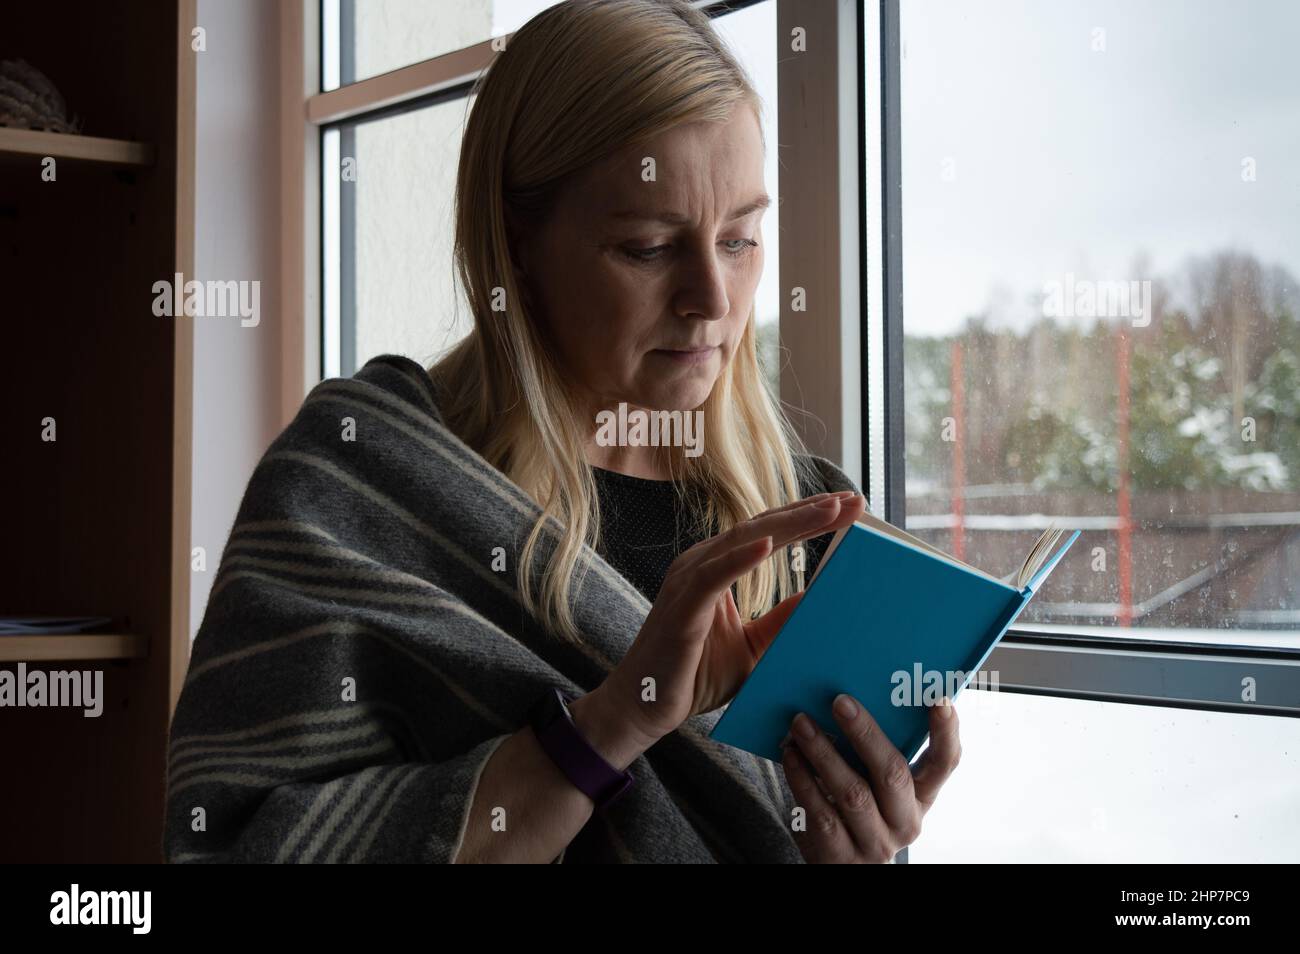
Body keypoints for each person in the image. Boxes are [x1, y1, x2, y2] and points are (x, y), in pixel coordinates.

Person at [163, 0, 959, 865]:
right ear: (518, 245)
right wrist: (610, 726)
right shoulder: (357, 482)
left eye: (741, 239)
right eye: (650, 247)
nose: (713, 300)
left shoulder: (808, 524)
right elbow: (235, 847)